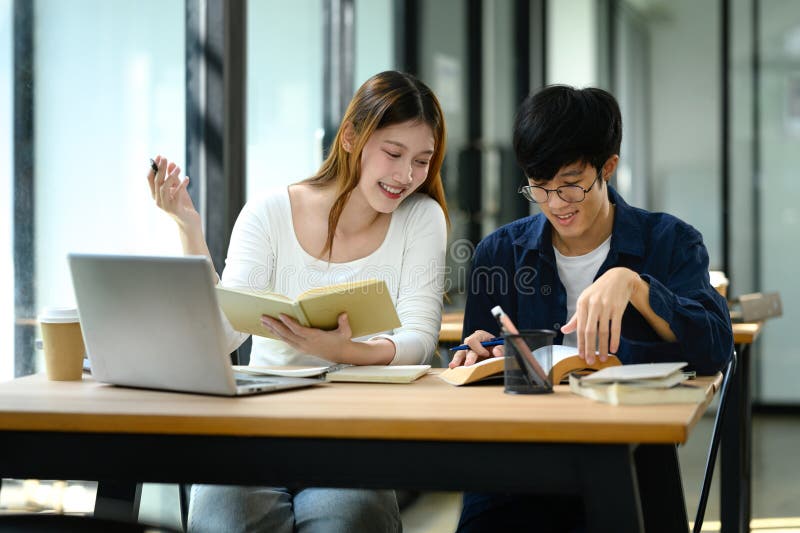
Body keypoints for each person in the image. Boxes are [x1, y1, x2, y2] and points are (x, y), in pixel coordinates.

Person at [147, 70, 449, 533]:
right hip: (257, 431)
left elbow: (420, 340)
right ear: (351, 138)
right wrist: (189, 227)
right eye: (393, 154)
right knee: (226, 522)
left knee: (347, 521)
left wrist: (345, 353)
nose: (406, 176)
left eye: (422, 161)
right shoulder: (269, 212)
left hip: (354, 437)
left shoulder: (420, 218)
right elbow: (225, 333)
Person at [449, 85, 733, 532]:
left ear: (608, 168)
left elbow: (715, 349)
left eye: (571, 185)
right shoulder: (499, 253)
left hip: (627, 462)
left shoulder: (669, 242)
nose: (556, 204)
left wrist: (637, 287)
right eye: (540, 188)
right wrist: (476, 355)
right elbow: (477, 368)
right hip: (516, 475)